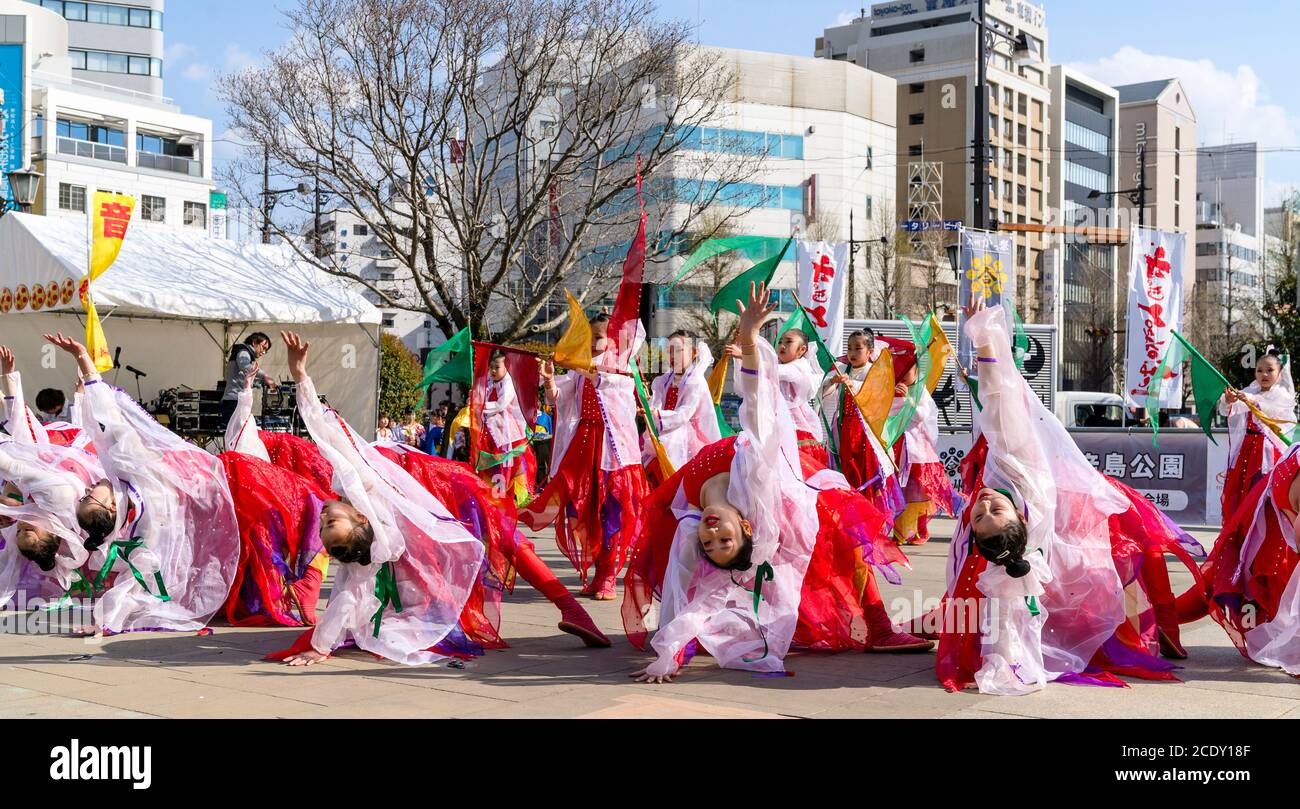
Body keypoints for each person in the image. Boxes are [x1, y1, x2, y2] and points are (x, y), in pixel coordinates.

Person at [622, 284, 927, 683]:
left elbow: (685, 592)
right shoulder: (755, 479)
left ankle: (875, 626)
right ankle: (878, 624)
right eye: (724, 542)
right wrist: (750, 343)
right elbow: (757, 404)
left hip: (778, 463)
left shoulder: (687, 522)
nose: (712, 534)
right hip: (780, 476)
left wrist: (669, 650)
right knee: (840, 525)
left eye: (709, 543)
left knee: (825, 535)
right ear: (744, 527)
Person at [926, 298, 1195, 694]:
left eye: (979, 516)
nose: (982, 504)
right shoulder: (1020, 466)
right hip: (1086, 504)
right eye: (992, 509)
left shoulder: (1010, 539)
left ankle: (1148, 630)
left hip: (1070, 510)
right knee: (1132, 556)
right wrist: (984, 335)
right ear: (1019, 518)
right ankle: (1151, 630)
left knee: (1002, 593)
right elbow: (999, 396)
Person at [267, 332, 485, 667]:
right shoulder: (359, 491)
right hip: (410, 473)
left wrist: (302, 379)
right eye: (331, 522)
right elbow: (330, 437)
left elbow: (327, 434)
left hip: (403, 484)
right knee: (360, 591)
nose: (324, 515)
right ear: (360, 518)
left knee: (356, 592)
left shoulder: (362, 518)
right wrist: (302, 379)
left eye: (325, 523)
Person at [42, 332, 241, 634]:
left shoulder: (121, 489)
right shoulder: (137, 480)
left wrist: (84, 373)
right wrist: (84, 360)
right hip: (225, 486)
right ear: (109, 506)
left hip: (205, 492)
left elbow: (98, 431)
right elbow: (115, 426)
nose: (86, 488)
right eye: (88, 496)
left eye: (82, 496)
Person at [523, 313, 649, 600]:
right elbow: (560, 397)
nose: (591, 342)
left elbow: (609, 383)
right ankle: (597, 572)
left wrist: (581, 366)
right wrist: (550, 379)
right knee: (581, 507)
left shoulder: (622, 368)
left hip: (611, 448)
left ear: (613, 339)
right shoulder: (581, 368)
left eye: (597, 337)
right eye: (588, 336)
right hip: (583, 444)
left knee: (610, 508)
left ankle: (607, 574)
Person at [219, 366, 332, 627]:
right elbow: (241, 423)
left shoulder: (265, 443)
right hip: (261, 503)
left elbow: (242, 422)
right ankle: (308, 581)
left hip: (257, 506)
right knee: (318, 506)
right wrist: (247, 391)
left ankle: (299, 586)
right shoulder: (248, 446)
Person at [819, 330, 901, 515]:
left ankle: (869, 514)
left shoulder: (874, 371)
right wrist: (833, 381)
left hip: (865, 432)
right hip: (844, 429)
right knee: (845, 470)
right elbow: (824, 392)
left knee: (865, 471)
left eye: (858, 348)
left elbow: (877, 394)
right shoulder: (842, 369)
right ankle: (850, 514)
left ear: (870, 351)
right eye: (849, 348)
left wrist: (853, 385)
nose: (853, 353)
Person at [1216, 350, 1296, 521]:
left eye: (1269, 370)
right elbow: (1230, 410)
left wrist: (1251, 399)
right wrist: (1229, 400)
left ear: (1279, 373)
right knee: (1245, 493)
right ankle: (1245, 534)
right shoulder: (1250, 390)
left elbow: (1274, 409)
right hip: (1248, 451)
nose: (1264, 374)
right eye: (1259, 370)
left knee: (1268, 494)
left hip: (1272, 452)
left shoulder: (1282, 395)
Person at [642, 330, 720, 487]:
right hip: (661, 433)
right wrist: (649, 408)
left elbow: (684, 414)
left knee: (675, 475)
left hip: (685, 437)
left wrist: (657, 414)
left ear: (693, 353)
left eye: (678, 350)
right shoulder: (663, 380)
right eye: (669, 351)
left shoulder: (695, 381)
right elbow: (656, 403)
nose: (673, 356)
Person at [476, 350, 538, 507]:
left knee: (507, 468)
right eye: (491, 367)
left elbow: (500, 404)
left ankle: (505, 501)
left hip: (507, 436)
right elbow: (481, 396)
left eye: (497, 367)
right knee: (493, 469)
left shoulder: (509, 382)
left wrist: (479, 405)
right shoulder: (490, 383)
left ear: (507, 367)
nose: (493, 371)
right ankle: (494, 500)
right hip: (491, 435)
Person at [220, 332, 277, 430]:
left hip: (236, 401)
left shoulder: (245, 353)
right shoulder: (243, 352)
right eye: (263, 348)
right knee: (237, 435)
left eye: (266, 350)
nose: (263, 352)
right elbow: (245, 366)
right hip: (234, 401)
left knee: (238, 434)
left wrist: (260, 383)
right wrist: (265, 376)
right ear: (254, 342)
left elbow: (244, 379)